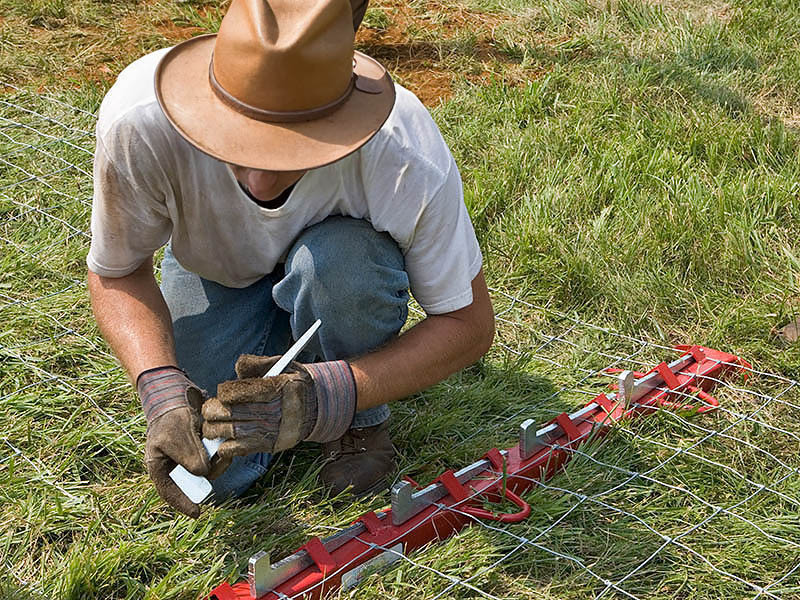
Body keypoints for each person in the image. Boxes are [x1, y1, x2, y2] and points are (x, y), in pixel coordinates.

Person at [87, 0, 495, 519]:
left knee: (339, 269)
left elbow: (469, 324)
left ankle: (357, 423)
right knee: (217, 473)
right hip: (220, 273)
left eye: (289, 153)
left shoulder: (402, 151)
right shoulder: (142, 119)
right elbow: (117, 271)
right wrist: (161, 388)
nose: (259, 181)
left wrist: (332, 394)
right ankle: (295, 362)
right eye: (238, 141)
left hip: (337, 269)